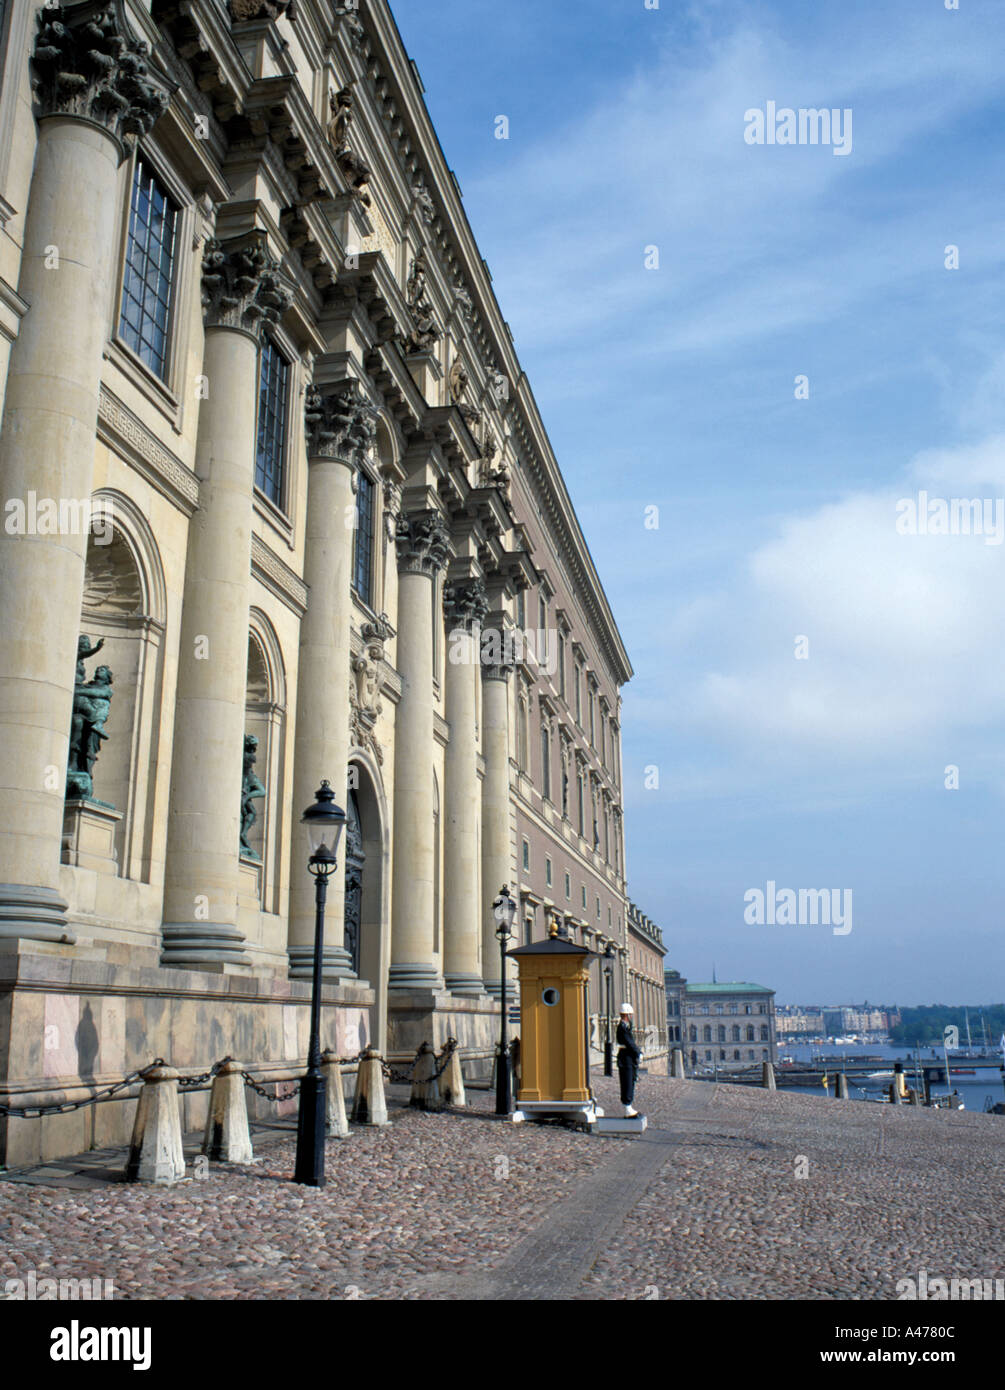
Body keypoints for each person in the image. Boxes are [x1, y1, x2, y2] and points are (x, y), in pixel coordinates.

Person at [616, 1003, 641, 1118]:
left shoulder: (625, 1026)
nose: (631, 1017)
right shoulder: (623, 1027)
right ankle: (627, 1106)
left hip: (628, 1057)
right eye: (630, 1015)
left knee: (630, 1080)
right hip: (626, 1058)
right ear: (626, 1015)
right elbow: (629, 1043)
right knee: (627, 1082)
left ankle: (629, 1105)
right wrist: (638, 1052)